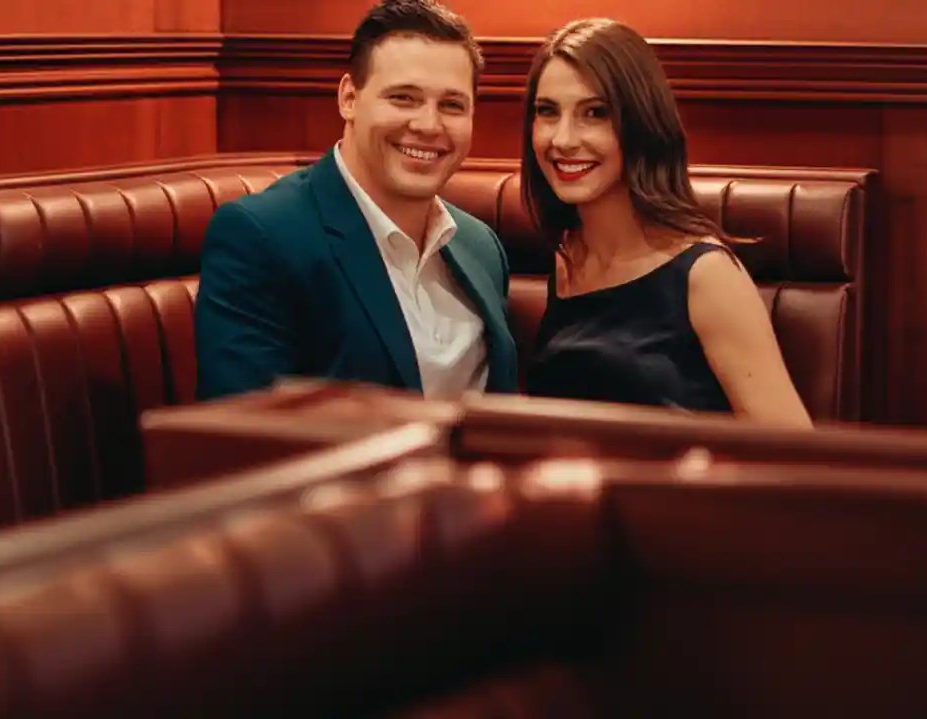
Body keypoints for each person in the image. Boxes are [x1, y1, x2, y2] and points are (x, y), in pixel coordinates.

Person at [195, 0, 517, 402]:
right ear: (349, 97)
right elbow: (241, 436)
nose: (428, 125)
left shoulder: (481, 245)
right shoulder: (260, 237)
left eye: (451, 105)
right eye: (403, 98)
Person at [520, 18, 812, 427]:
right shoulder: (566, 254)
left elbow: (790, 452)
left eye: (596, 113)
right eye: (547, 112)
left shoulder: (707, 274)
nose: (563, 138)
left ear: (640, 123)